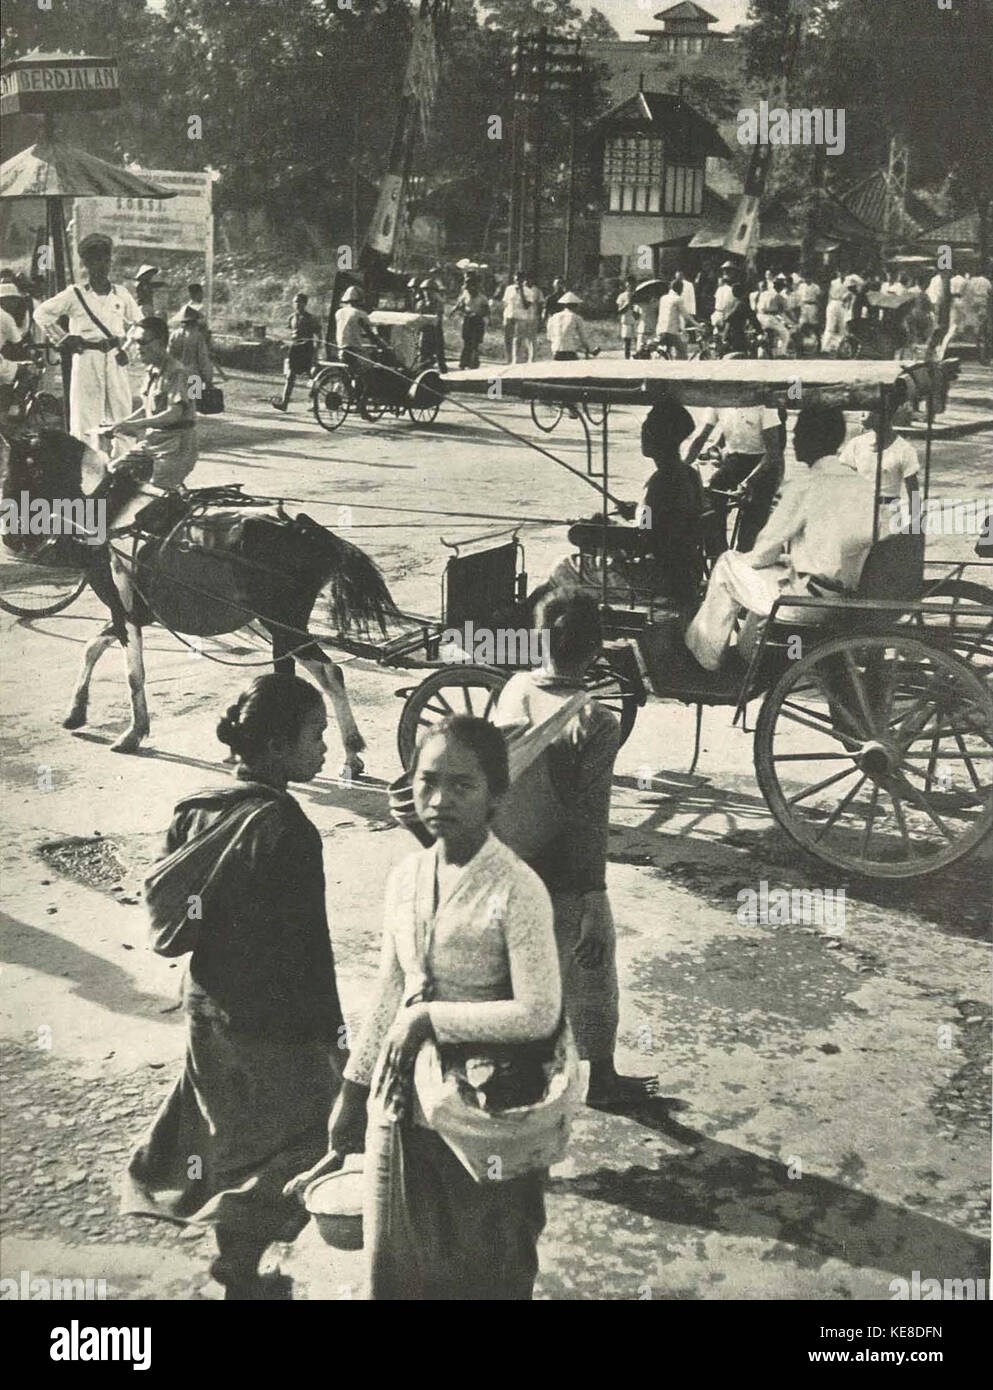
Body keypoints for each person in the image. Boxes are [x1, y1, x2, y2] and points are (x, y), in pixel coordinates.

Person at [122, 674, 347, 1300]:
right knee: (310, 1138)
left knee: (226, 1134)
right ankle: (242, 1269)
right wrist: (335, 1038)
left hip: (208, 1008)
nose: (324, 748)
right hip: (273, 1023)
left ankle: (237, 1262)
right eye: (316, 734)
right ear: (276, 746)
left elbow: (184, 918)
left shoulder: (195, 807)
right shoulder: (287, 828)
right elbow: (309, 953)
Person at [329, 716, 560, 1301]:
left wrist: (432, 1018)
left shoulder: (517, 887)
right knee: (397, 1272)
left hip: (486, 1111)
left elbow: (539, 1011)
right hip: (401, 1107)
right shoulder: (405, 877)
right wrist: (353, 1091)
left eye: (463, 786)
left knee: (487, 1274)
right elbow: (390, 988)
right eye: (428, 782)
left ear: (496, 795)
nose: (439, 801)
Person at [493, 594, 656, 1109]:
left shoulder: (515, 690)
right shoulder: (597, 722)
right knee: (593, 967)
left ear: (540, 639)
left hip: (507, 862)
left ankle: (507, 1075)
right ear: (596, 649)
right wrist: (595, 899)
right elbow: (590, 819)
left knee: (517, 975)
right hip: (561, 871)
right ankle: (600, 1079)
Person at [685, 406, 876, 671]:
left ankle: (703, 660)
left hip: (807, 602)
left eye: (798, 434)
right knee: (766, 578)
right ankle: (744, 653)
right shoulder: (863, 485)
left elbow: (764, 551)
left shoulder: (806, 486)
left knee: (728, 563)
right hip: (844, 594)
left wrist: (752, 559)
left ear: (812, 440)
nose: (793, 441)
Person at [33, 233, 142, 449]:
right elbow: (42, 314)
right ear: (87, 263)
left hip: (113, 358)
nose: (103, 264)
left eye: (106, 259)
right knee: (85, 417)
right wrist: (63, 338)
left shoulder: (120, 294)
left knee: (122, 413)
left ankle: (124, 466)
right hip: (86, 358)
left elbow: (140, 324)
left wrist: (128, 349)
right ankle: (84, 468)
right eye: (97, 259)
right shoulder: (75, 294)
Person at [102, 316, 198, 489]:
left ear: (160, 343)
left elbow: (173, 414)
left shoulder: (178, 373)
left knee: (155, 493)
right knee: (113, 473)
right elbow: (147, 407)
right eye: (136, 342)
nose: (138, 348)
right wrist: (121, 424)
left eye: (143, 342)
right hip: (152, 442)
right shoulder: (151, 370)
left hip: (175, 448)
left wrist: (136, 425)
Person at [684, 400, 784, 557]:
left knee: (751, 526)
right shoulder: (719, 401)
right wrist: (681, 467)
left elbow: (773, 454)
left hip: (763, 464)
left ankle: (745, 557)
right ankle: (718, 555)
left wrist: (748, 482)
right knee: (709, 503)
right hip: (735, 460)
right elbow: (700, 438)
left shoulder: (764, 405)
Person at [839, 404, 920, 507]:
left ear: (886, 416)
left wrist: (916, 522)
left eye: (871, 412)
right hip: (858, 509)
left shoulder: (904, 450)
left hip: (887, 510)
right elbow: (845, 479)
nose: (864, 416)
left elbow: (914, 493)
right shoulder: (856, 443)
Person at [272, 292, 321, 411]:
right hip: (295, 349)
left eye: (300, 302)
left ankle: (315, 405)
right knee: (290, 376)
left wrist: (316, 350)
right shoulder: (292, 318)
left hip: (307, 349)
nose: (297, 304)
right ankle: (284, 403)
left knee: (312, 376)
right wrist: (284, 343)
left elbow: (319, 335)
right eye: (295, 302)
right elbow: (290, 333)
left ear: (305, 304)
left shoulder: (311, 318)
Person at [335, 285, 382, 380]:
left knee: (353, 373)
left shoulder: (339, 313)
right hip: (353, 350)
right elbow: (369, 331)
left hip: (340, 348)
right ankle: (362, 392)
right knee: (370, 369)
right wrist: (378, 343)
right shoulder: (359, 313)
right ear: (359, 300)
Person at [168, 305, 214, 393]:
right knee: (193, 403)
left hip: (177, 374)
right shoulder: (198, 336)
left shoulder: (174, 335)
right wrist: (208, 379)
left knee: (176, 401)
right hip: (193, 375)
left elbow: (169, 355)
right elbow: (203, 359)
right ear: (194, 322)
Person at [451, 275, 490, 369]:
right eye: (468, 288)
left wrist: (479, 314)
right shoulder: (465, 296)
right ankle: (464, 362)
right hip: (468, 320)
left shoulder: (482, 298)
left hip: (477, 321)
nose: (470, 290)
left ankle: (474, 362)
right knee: (467, 342)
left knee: (475, 343)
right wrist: (455, 311)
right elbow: (459, 306)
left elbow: (486, 311)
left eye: (472, 287)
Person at [655, 277, 696, 358]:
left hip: (660, 330)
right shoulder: (678, 299)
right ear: (679, 289)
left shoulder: (663, 298)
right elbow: (686, 316)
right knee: (682, 352)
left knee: (669, 351)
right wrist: (697, 325)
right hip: (670, 332)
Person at [719, 282, 762, 358]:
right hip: (737, 335)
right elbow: (753, 318)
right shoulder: (742, 305)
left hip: (725, 334)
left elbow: (725, 318)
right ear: (743, 293)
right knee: (747, 351)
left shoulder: (729, 304)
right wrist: (760, 331)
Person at [547, 291, 594, 360]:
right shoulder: (576, 318)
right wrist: (588, 349)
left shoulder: (553, 317)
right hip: (570, 351)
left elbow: (549, 336)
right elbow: (583, 337)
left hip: (556, 350)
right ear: (575, 306)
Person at [756, 275, 793, 356]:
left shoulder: (763, 293)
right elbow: (784, 311)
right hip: (769, 318)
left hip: (759, 316)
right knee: (785, 334)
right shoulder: (778, 296)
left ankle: (765, 350)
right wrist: (792, 321)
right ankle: (781, 353)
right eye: (782, 286)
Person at [501, 271, 532, 364]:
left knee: (518, 338)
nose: (518, 281)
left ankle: (516, 359)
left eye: (520, 279)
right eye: (517, 278)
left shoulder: (528, 291)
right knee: (508, 337)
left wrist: (522, 292)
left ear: (523, 280)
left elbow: (527, 306)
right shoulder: (509, 289)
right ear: (514, 279)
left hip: (521, 316)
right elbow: (505, 302)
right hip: (509, 315)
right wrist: (503, 315)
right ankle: (508, 358)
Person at [418, 278, 448, 373]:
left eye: (429, 290)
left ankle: (443, 371)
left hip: (435, 330)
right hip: (424, 330)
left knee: (439, 352)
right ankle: (423, 370)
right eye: (425, 290)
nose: (427, 292)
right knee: (423, 351)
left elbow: (437, 317)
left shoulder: (438, 303)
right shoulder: (420, 303)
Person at [616, 275, 639, 359]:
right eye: (629, 283)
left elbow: (639, 311)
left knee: (638, 341)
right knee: (627, 341)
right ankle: (627, 358)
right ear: (626, 284)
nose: (630, 285)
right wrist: (627, 304)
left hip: (636, 321)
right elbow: (619, 311)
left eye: (633, 283)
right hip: (626, 321)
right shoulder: (622, 296)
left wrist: (634, 309)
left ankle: (639, 356)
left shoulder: (637, 295)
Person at [711, 262, 737, 328]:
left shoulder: (735, 289)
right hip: (718, 316)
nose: (726, 272)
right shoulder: (720, 288)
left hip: (729, 318)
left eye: (729, 271)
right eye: (725, 270)